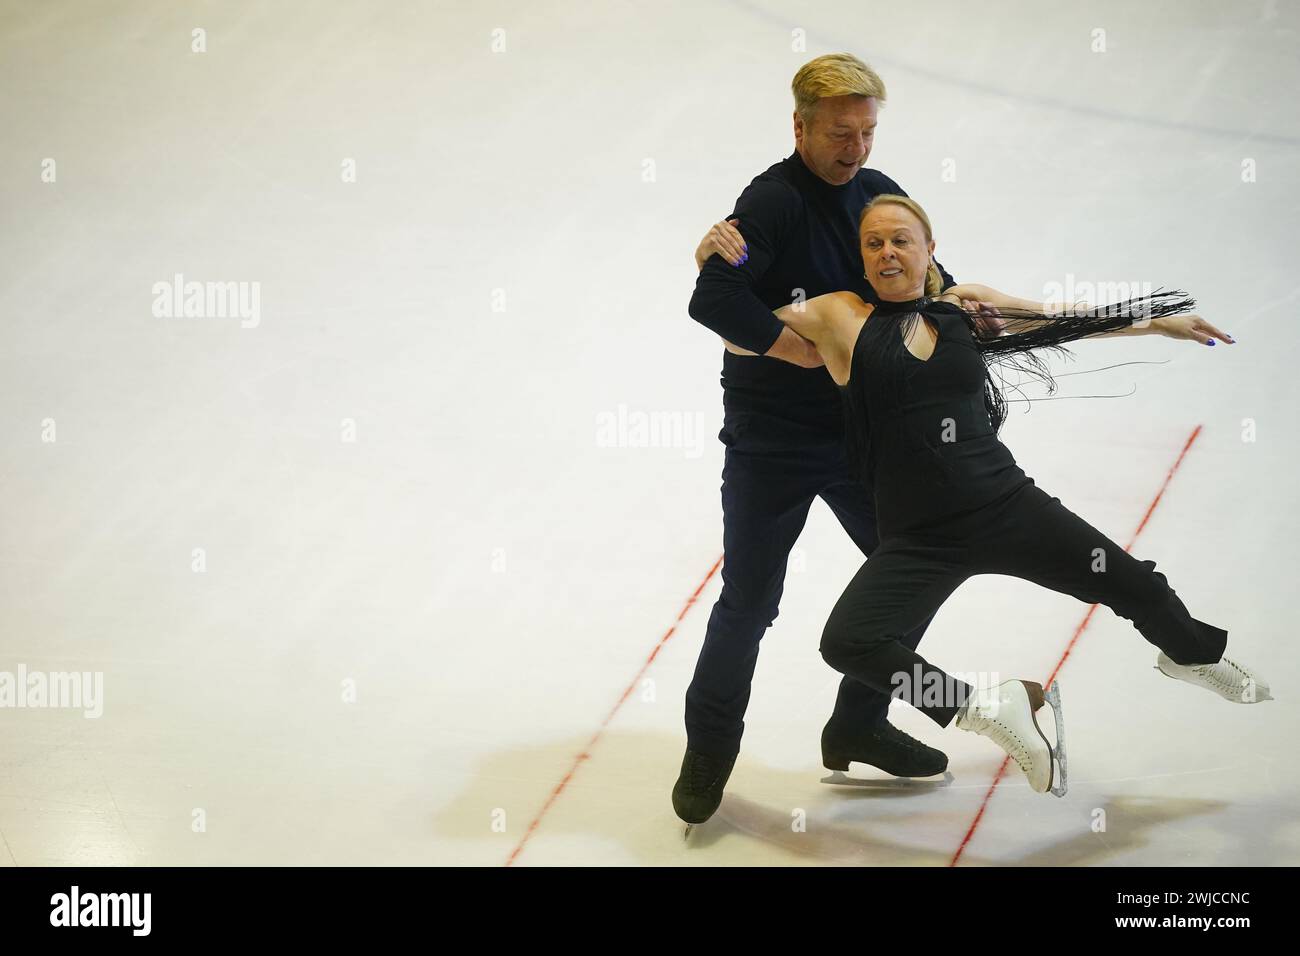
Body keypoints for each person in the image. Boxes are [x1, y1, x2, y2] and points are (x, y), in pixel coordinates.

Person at [751, 191, 1270, 794]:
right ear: (860, 257)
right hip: (919, 538)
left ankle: (1191, 653)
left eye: (901, 240)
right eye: (874, 243)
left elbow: (1057, 317)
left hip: (1004, 507)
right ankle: (983, 709)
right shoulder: (841, 315)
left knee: (1134, 584)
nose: (888, 252)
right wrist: (718, 259)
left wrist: (1158, 322)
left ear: (928, 250)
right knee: (848, 641)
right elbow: (740, 331)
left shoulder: (966, 307)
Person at [677, 53, 992, 826]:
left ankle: (859, 721)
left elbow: (927, 281)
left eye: (867, 131)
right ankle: (710, 748)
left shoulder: (880, 198)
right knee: (751, 601)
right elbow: (710, 297)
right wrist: (796, 349)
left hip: (859, 436)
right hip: (770, 440)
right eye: (839, 132)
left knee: (912, 571)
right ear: (801, 127)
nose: (854, 148)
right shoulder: (771, 201)